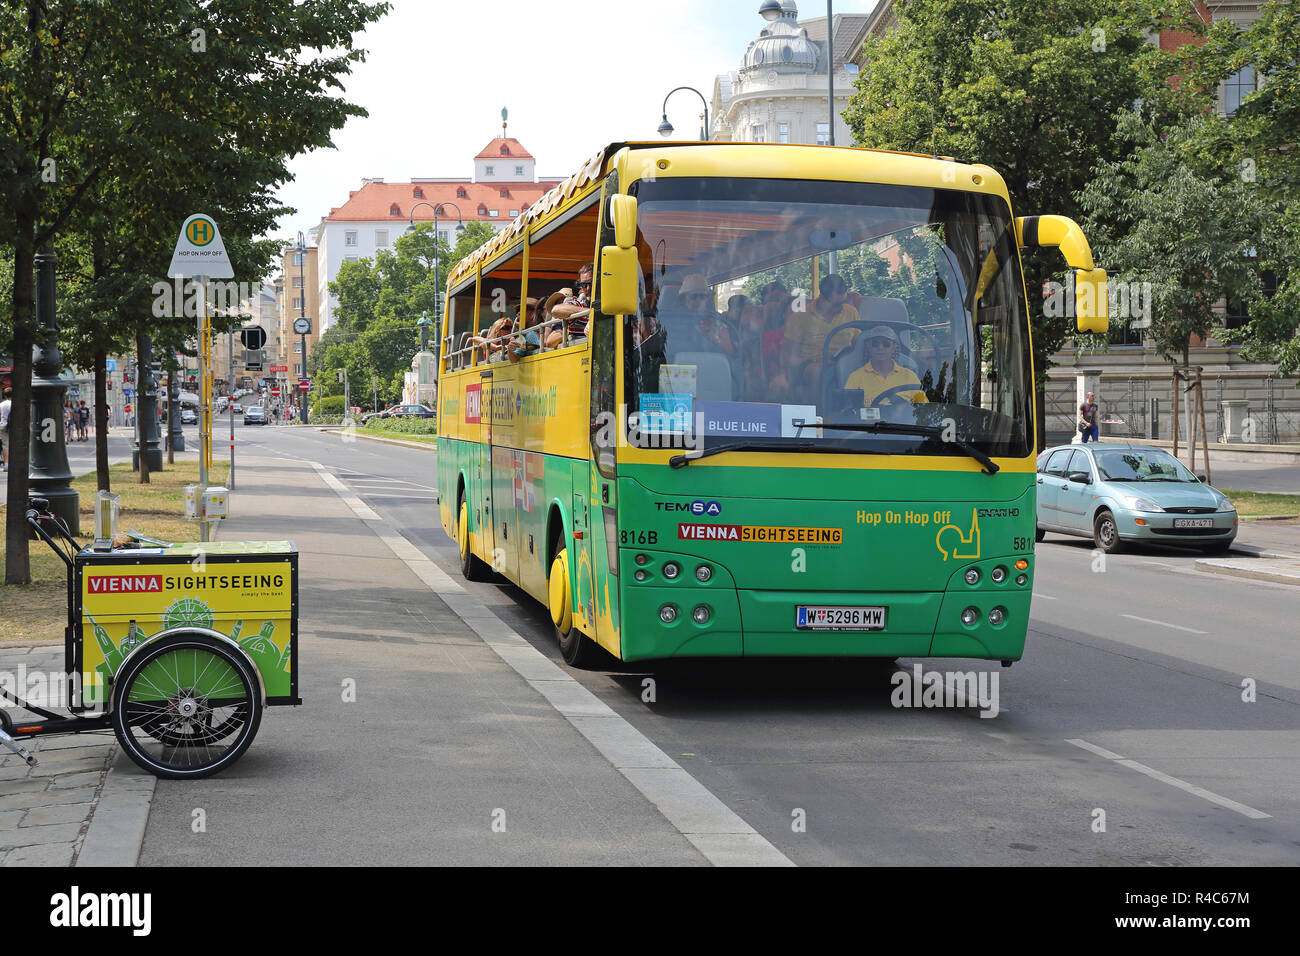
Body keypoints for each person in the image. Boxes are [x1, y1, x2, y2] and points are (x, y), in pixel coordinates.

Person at [845, 325, 927, 405]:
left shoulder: (909, 376)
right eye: (875, 343)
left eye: (886, 344)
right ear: (868, 346)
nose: (880, 347)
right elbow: (847, 411)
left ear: (894, 347)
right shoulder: (855, 378)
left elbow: (923, 410)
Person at [0, 387, 11, 470]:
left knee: (5, 445)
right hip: (14, 426)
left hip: (3, 425)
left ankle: (6, 464)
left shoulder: (2, 404)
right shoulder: (16, 403)